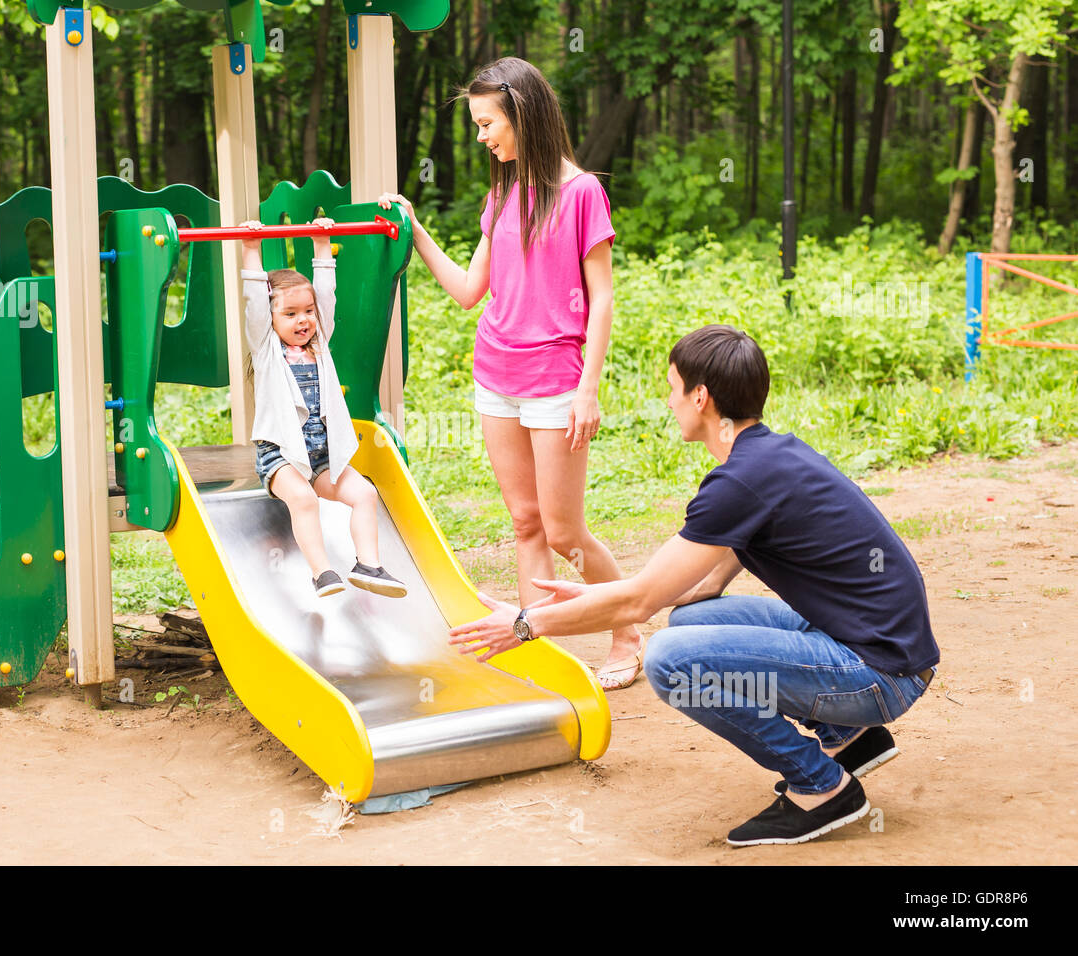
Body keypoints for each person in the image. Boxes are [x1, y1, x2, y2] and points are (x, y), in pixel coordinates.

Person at [446, 325, 941, 847]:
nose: (669, 400)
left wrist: (527, 624)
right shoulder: (767, 457)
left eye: (672, 387)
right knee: (690, 623)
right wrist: (601, 596)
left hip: (880, 673)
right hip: (877, 646)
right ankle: (849, 737)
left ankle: (821, 787)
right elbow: (687, 586)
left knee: (670, 660)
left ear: (700, 397)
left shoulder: (741, 482)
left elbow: (640, 601)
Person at [377, 56, 644, 690]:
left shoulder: (581, 193)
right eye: (476, 124)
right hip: (495, 374)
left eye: (488, 122)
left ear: (522, 115)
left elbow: (601, 297)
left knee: (564, 529)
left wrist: (588, 389)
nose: (482, 137)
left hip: (557, 380)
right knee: (525, 523)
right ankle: (534, 645)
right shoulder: (500, 194)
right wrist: (414, 230)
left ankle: (627, 628)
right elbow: (472, 291)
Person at [240, 218, 407, 599]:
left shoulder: (320, 345)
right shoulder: (267, 351)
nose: (303, 320)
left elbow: (326, 294)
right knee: (303, 499)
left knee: (364, 494)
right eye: (290, 314)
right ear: (272, 319)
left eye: (308, 311)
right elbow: (254, 303)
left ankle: (368, 564)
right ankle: (321, 573)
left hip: (321, 456)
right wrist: (251, 249)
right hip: (280, 455)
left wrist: (322, 243)